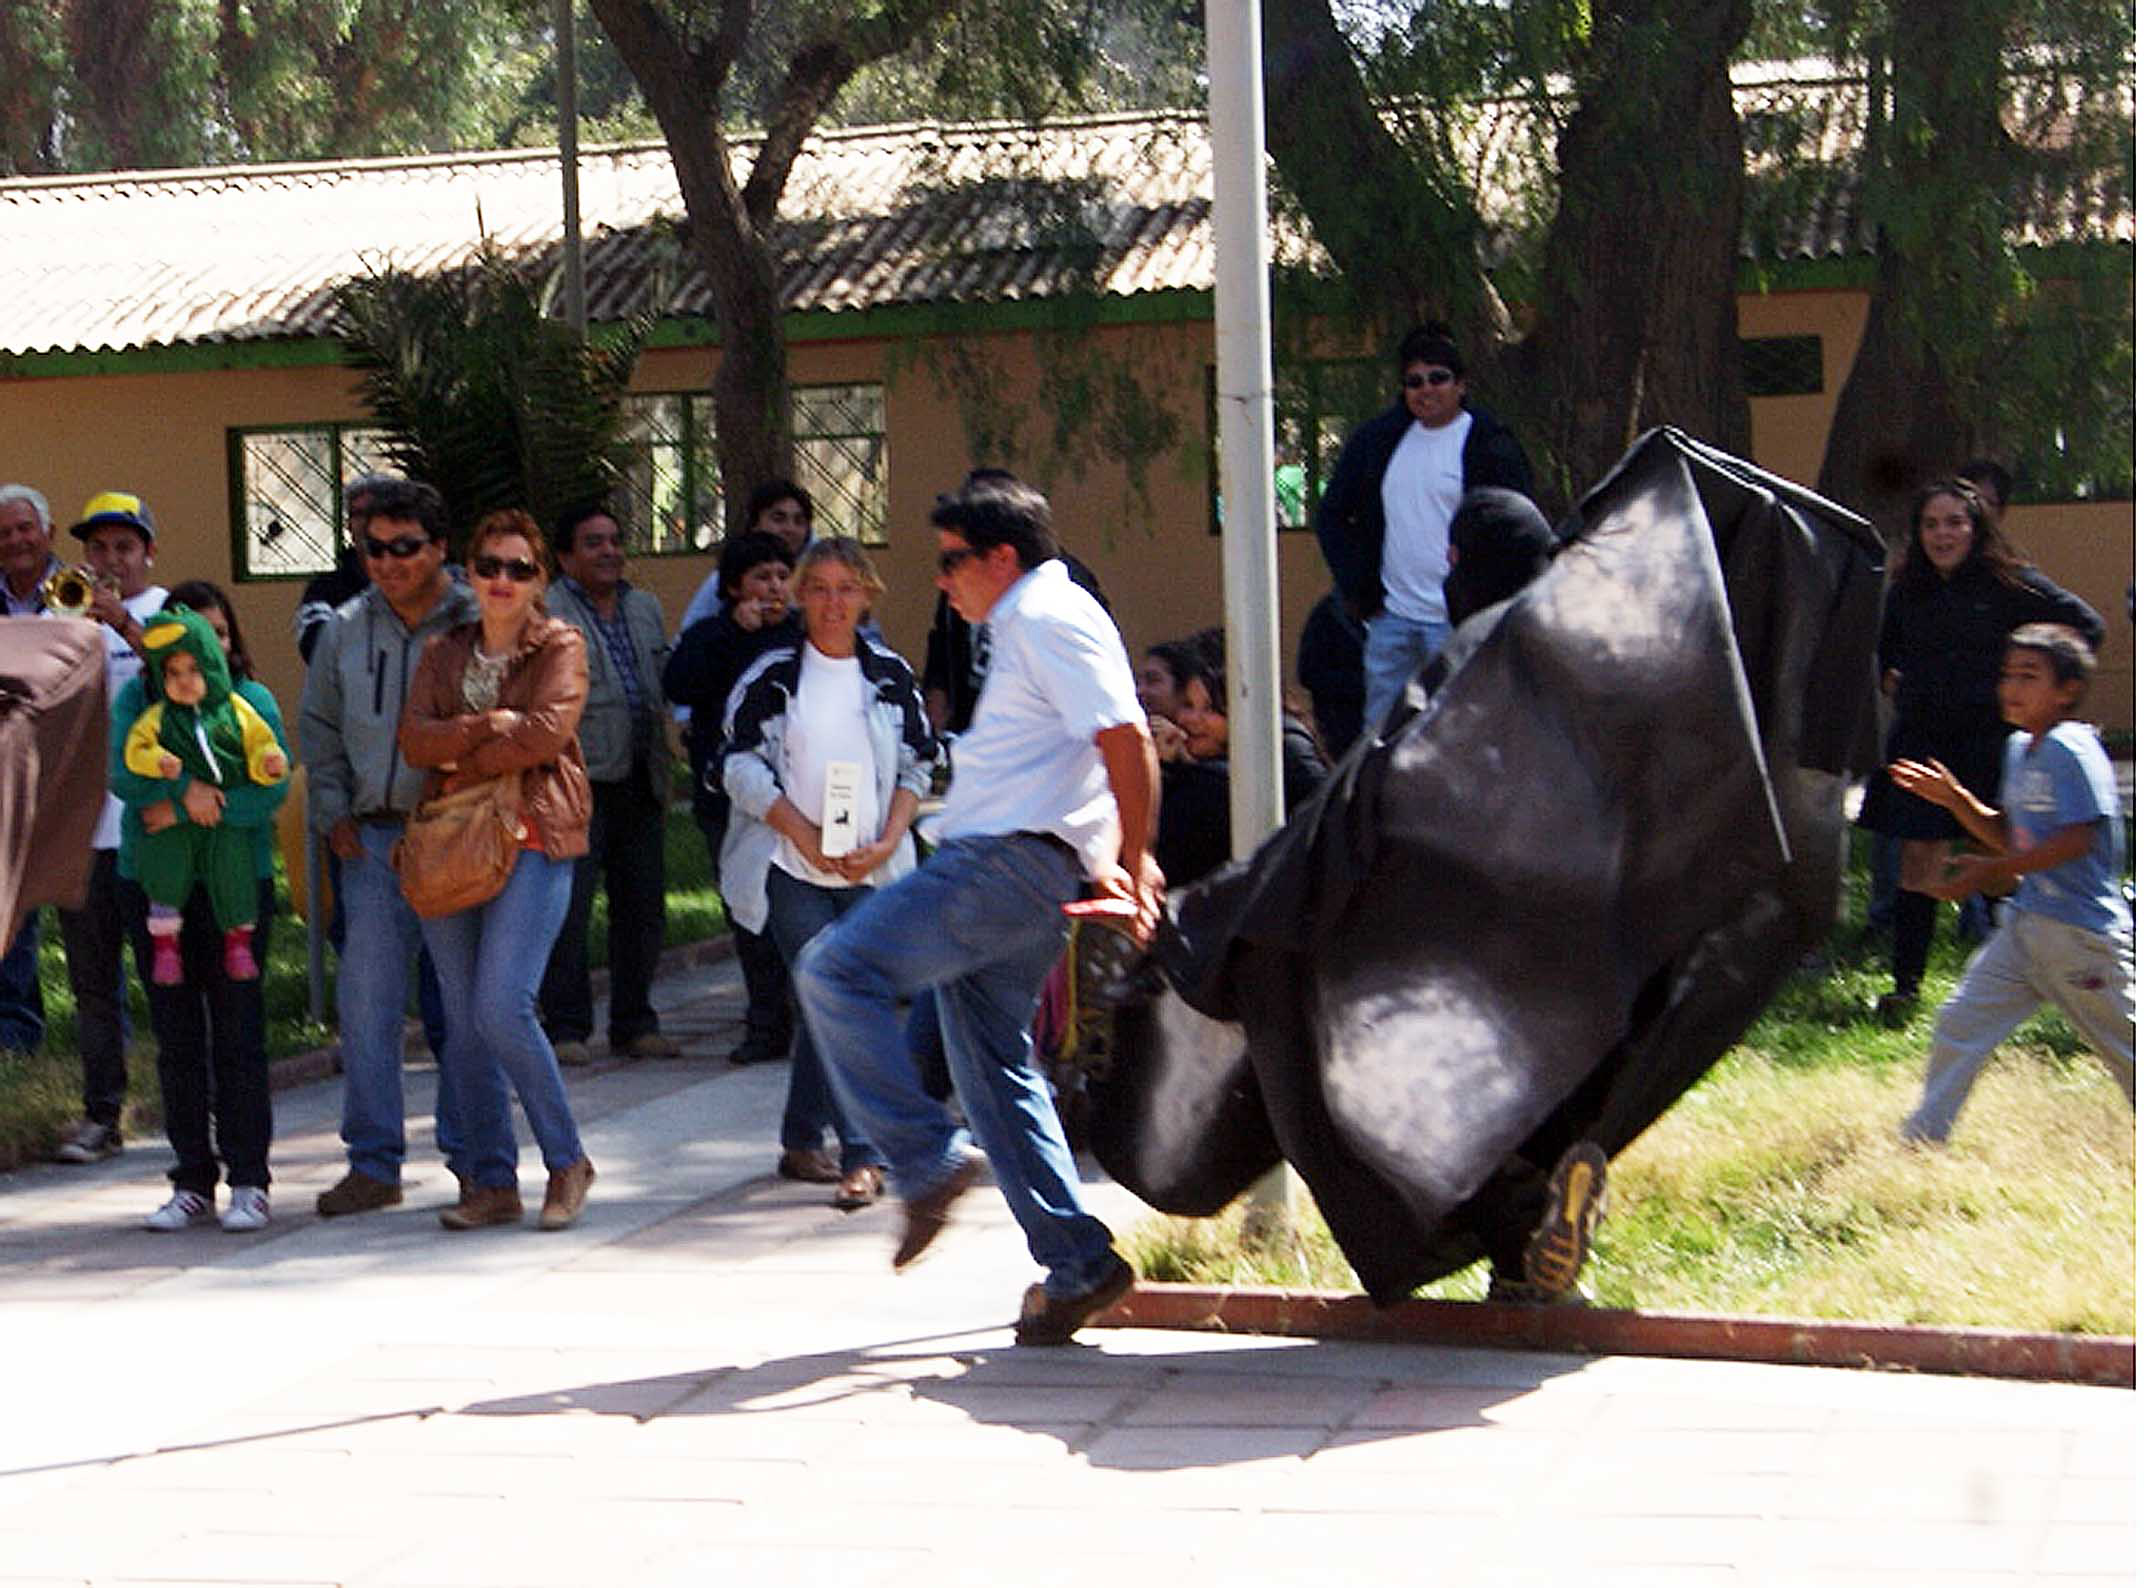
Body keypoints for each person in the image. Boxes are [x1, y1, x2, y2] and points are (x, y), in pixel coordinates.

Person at [792, 472, 1162, 1348]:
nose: (942, 578)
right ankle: (1078, 1261)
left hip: (1004, 865)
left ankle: (923, 1161)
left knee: (836, 970)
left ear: (1003, 557)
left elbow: (1125, 736)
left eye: (954, 561)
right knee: (995, 1064)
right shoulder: (1030, 620)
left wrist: (1138, 865)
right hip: (1023, 868)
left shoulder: (1046, 615)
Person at [400, 509, 598, 1231]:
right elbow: (414, 741)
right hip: (451, 842)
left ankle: (566, 1160)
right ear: (469, 573)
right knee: (462, 1018)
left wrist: (463, 759)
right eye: (490, 566)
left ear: (541, 579)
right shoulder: (443, 649)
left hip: (534, 832)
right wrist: (488, 728)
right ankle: (489, 1180)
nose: (503, 580)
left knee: (502, 1006)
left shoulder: (561, 644)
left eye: (520, 568)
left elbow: (547, 733)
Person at [721, 538, 934, 1208]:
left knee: (833, 998)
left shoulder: (891, 676)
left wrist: (891, 836)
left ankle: (799, 1135)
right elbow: (735, 765)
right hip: (792, 864)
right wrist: (798, 829)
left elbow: (916, 766)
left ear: (867, 594)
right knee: (830, 988)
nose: (834, 602)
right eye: (820, 587)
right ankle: (864, 1153)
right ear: (800, 596)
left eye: (848, 588)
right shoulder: (774, 675)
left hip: (870, 865)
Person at [1854, 479, 2104, 1026]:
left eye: (1955, 523)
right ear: (1918, 533)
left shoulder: (2009, 584)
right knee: (1917, 862)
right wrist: (1892, 676)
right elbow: (1883, 646)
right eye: (1931, 524)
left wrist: (2036, 687)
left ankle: (2020, 980)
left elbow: (2086, 624)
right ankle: (1905, 987)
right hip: (1922, 739)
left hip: (1987, 741)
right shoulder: (1907, 588)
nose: (1943, 534)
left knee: (1994, 857)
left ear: (1976, 528)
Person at [298, 478, 478, 1216]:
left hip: (455, 838)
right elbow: (321, 727)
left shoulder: (478, 619)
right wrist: (333, 809)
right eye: (375, 548)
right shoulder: (343, 627)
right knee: (366, 1007)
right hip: (370, 841)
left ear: (440, 548)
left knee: (466, 1011)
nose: (390, 562)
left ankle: (478, 1160)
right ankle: (373, 1164)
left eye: (406, 547)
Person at [1891, 624, 2133, 1143]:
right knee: (1960, 1023)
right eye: (2007, 675)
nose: (2011, 687)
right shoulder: (2021, 748)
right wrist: (1957, 801)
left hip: (2080, 937)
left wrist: (1994, 872)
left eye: (2029, 676)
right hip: (2027, 929)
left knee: (2127, 1046)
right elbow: (2007, 834)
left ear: (2067, 690)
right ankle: (1921, 1140)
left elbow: (2077, 840)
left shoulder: (2073, 747)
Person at [112, 582, 290, 1231]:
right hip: (156, 889)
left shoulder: (252, 702)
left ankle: (250, 1179)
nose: (207, 647)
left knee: (239, 1033)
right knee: (177, 1036)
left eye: (218, 634)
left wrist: (196, 807)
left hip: (236, 887)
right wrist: (187, 790)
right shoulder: (139, 699)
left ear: (231, 641)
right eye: (192, 637)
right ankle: (191, 1180)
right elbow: (126, 776)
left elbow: (267, 790)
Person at [1315, 323, 1535, 733]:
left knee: (1462, 731)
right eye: (1414, 382)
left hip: (1460, 621)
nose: (1426, 390)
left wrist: (1479, 567)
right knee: (1380, 737)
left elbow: (1515, 522)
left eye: (1438, 378)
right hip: (1391, 618)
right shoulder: (1377, 442)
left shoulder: (1490, 444)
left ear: (1461, 384)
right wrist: (1358, 588)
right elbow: (1332, 516)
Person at [48, 492, 168, 1165]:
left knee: (166, 977)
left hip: (151, 833)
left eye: (124, 547)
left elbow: (186, 680)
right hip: (84, 833)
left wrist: (121, 621)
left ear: (148, 552)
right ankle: (102, 1115)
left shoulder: (167, 613)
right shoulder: (67, 613)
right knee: (93, 985)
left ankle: (186, 1107)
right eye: (98, 549)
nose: (109, 560)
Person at [539, 503, 680, 1064]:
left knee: (643, 908)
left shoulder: (644, 607)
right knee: (568, 910)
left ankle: (635, 1021)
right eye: (593, 543)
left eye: (616, 540)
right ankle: (568, 1027)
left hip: (642, 777)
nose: (609, 552)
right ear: (566, 556)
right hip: (579, 782)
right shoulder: (548, 610)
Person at [664, 529, 802, 1068]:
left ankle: (811, 1021)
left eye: (781, 577)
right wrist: (728, 637)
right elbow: (679, 685)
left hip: (795, 797)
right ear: (733, 588)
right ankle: (765, 1024)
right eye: (760, 578)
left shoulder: (802, 635)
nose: (773, 588)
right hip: (730, 798)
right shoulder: (709, 634)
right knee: (749, 912)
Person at [120, 607, 288, 984]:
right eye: (174, 673)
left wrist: (267, 763)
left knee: (234, 872)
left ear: (213, 665)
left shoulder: (237, 709)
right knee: (166, 866)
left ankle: (238, 941)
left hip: (224, 821)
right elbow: (134, 750)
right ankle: (166, 944)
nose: (185, 682)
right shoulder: (159, 715)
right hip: (173, 829)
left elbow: (259, 745)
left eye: (195, 670)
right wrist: (156, 760)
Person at [1151, 635, 1328, 889]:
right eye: (1188, 705)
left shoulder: (1287, 751)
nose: (1191, 719)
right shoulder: (1207, 767)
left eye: (1210, 708)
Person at [0, 483, 62, 1055]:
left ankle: (108, 1039)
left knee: (88, 922)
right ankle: (16, 1035)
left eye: (25, 529)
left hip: (71, 768)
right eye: (5, 533)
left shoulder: (84, 590)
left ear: (47, 531)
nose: (16, 541)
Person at [676, 480, 816, 637]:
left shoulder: (819, 570)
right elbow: (688, 635)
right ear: (755, 524)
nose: (790, 529)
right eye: (778, 519)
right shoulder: (722, 579)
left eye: (799, 521)